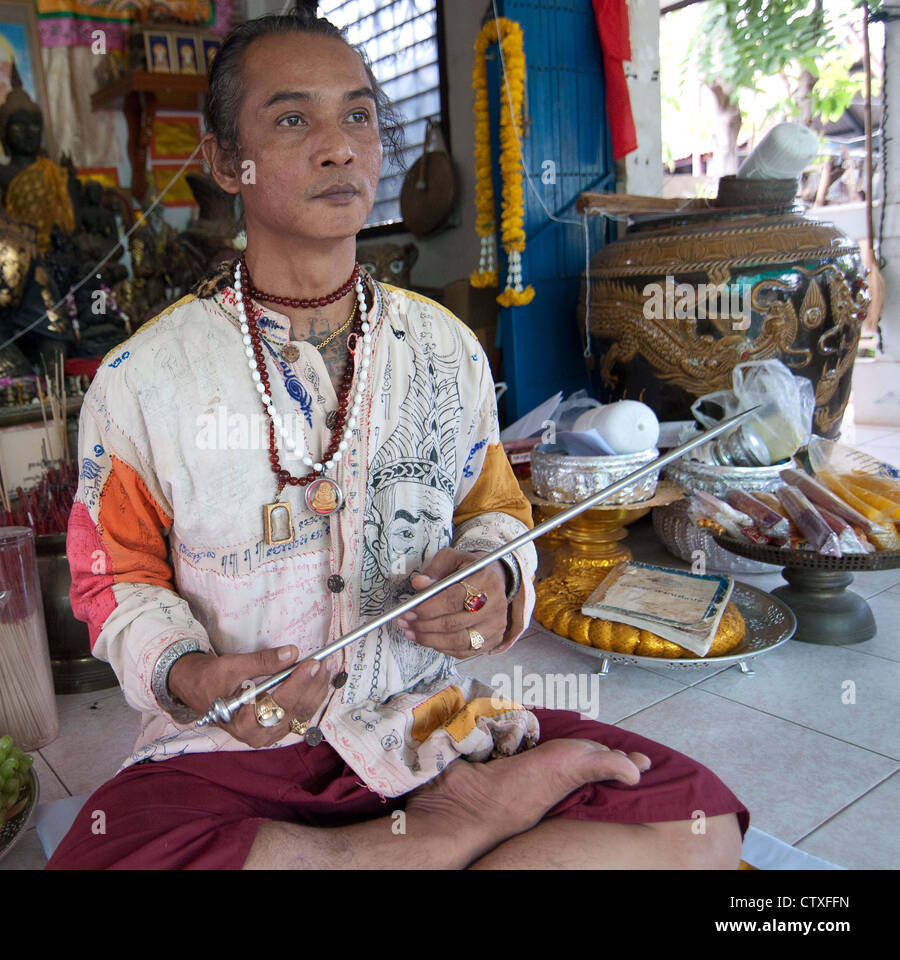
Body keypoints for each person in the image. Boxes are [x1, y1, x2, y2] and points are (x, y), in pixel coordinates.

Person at [50, 10, 749, 870]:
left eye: (359, 116)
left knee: (699, 827)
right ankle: (461, 831)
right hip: (237, 754)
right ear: (227, 160)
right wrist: (194, 677)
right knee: (107, 856)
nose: (340, 146)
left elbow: (496, 516)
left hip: (425, 725)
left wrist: (491, 579)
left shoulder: (445, 349)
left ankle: (404, 844)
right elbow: (114, 581)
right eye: (294, 119)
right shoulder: (142, 380)